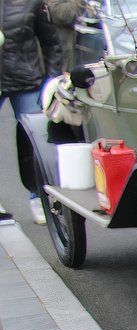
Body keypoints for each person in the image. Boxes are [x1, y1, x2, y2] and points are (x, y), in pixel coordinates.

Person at [0, 0, 61, 225]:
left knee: (35, 142)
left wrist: (51, 81)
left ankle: (39, 198)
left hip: (26, 79)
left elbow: (51, 43)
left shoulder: (31, 3)